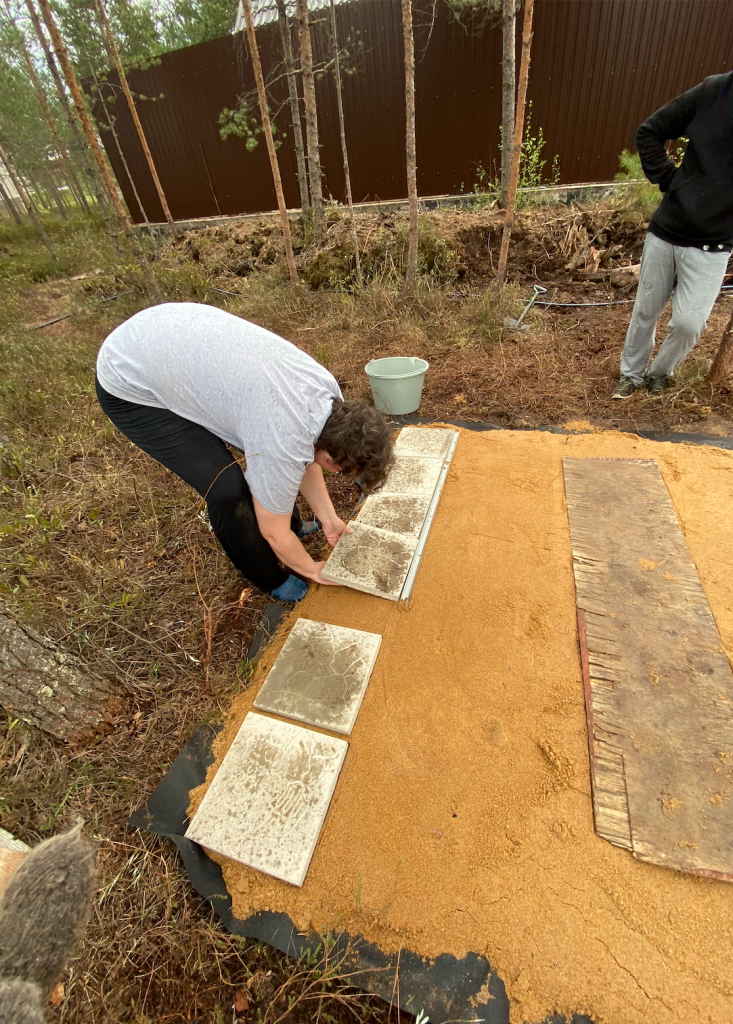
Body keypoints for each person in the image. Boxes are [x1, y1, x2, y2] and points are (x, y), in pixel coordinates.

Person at [95, 302, 394, 602]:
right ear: (330, 455)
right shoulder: (282, 437)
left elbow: (305, 457)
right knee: (226, 488)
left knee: (276, 470)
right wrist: (313, 569)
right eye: (341, 470)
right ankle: (269, 577)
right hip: (129, 378)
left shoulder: (330, 397)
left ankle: (295, 525)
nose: (337, 474)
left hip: (169, 337)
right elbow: (274, 529)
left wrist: (328, 519)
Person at [612, 72, 732, 399]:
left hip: (714, 243)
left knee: (690, 324)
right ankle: (631, 375)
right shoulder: (714, 92)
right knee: (646, 311)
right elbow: (649, 132)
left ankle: (660, 373)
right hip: (668, 231)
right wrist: (671, 180)